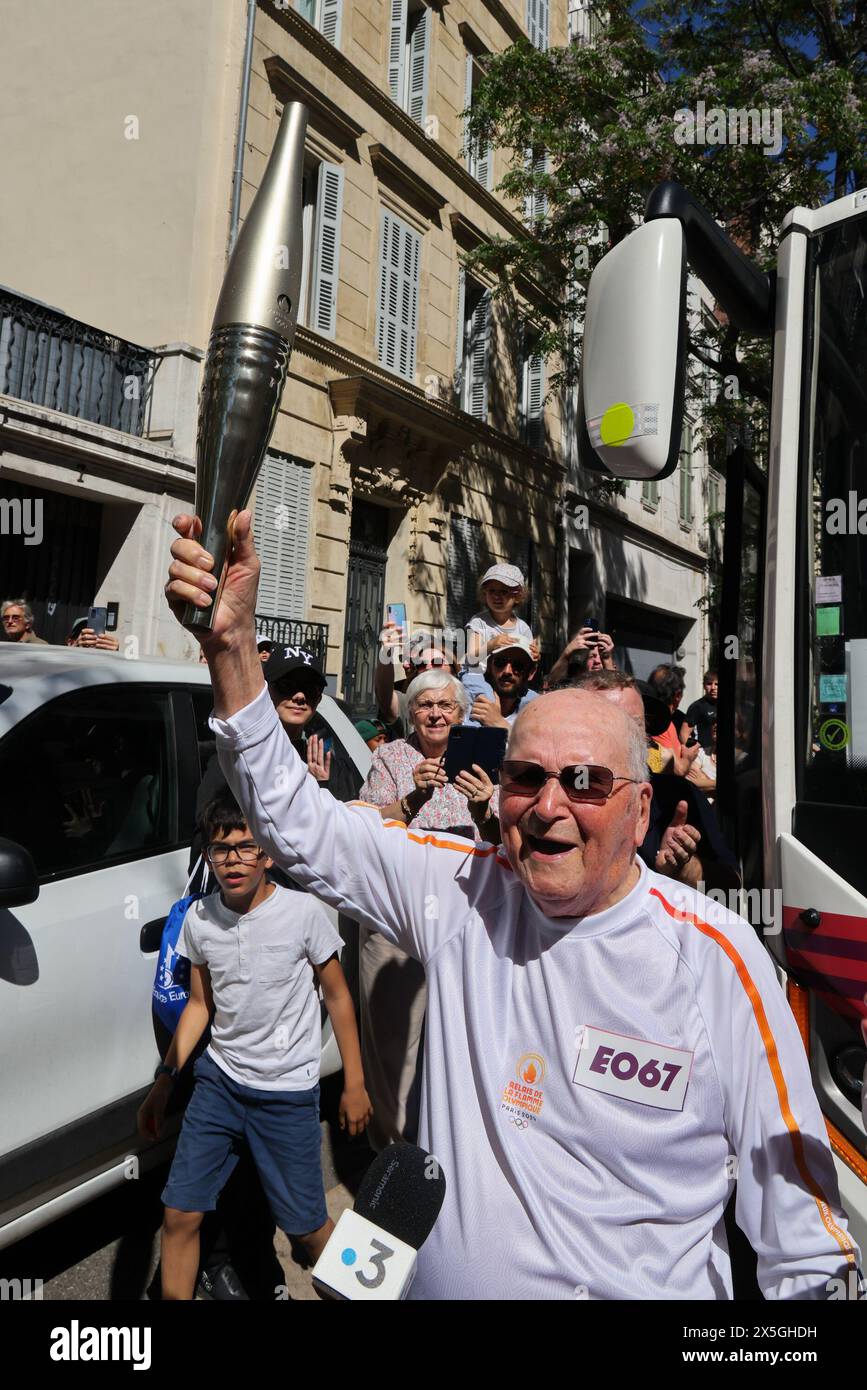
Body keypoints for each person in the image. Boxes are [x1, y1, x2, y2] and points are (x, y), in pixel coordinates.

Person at [166, 508, 861, 1300]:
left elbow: (805, 1251)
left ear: (638, 811)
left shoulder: (717, 957)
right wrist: (228, 652)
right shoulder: (463, 884)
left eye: (587, 781)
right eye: (526, 776)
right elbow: (295, 827)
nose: (548, 805)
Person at [137, 789, 372, 1300]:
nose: (235, 860)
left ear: (267, 853)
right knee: (179, 1214)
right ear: (209, 857)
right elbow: (200, 1005)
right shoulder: (200, 920)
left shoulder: (302, 913)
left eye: (247, 847)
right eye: (222, 850)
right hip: (219, 1084)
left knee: (308, 1230)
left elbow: (337, 996)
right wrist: (164, 1081)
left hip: (286, 1094)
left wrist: (354, 1082)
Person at [355, 668, 495, 1149]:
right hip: (397, 917)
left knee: (461, 1040)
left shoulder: (480, 758)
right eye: (424, 705)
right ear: (410, 713)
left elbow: (503, 839)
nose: (436, 713)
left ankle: (453, 1152)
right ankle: (396, 1160)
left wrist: (484, 810)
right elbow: (363, 828)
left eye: (446, 706)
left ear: (459, 713)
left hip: (467, 918)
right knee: (396, 1046)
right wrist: (409, 798)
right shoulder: (392, 757)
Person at [374, 628, 459, 740]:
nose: (428, 667)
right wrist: (386, 652)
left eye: (437, 662)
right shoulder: (408, 702)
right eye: (421, 664)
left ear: (453, 669)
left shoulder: (470, 699)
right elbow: (386, 699)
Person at [465, 634, 540, 728]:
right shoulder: (468, 702)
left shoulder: (536, 710)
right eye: (500, 662)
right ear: (488, 666)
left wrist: (499, 723)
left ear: (531, 673)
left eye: (518, 665)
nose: (507, 671)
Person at [546, 625, 616, 685]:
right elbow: (552, 683)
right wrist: (567, 652)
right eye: (592, 656)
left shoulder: (609, 683)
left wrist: (607, 658)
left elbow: (615, 689)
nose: (597, 661)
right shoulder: (576, 684)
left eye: (601, 657)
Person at [686, 669, 718, 751]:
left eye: (716, 684)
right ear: (704, 685)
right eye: (709, 684)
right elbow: (684, 735)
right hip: (703, 753)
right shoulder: (697, 706)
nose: (713, 688)